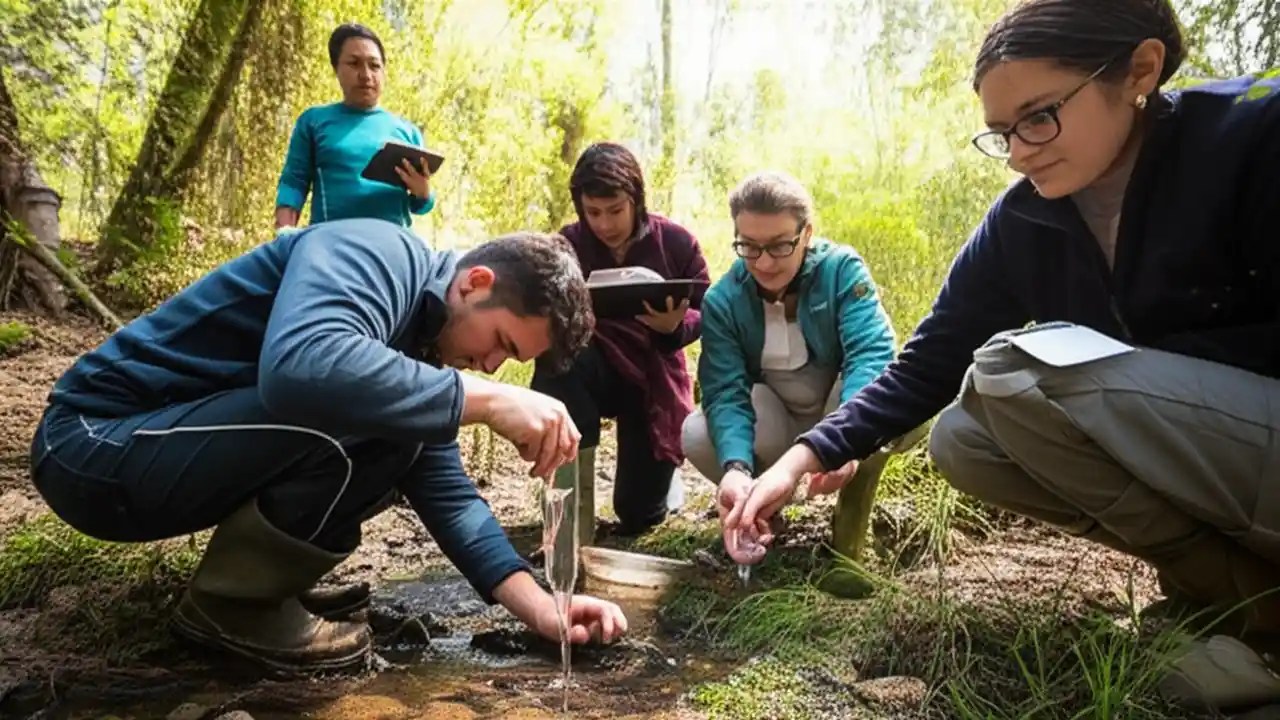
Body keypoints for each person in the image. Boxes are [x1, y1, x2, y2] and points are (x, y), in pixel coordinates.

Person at [727, 0, 1280, 711]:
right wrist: (797, 462)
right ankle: (1238, 601)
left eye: (1039, 116)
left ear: (1139, 71)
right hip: (1222, 459)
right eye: (1001, 133)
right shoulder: (1028, 218)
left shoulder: (1251, 138)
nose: (1020, 151)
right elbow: (926, 364)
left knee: (1013, 372)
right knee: (965, 438)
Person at [27, 218, 628, 675]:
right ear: (475, 283)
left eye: (509, 362)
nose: (493, 365)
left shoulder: (422, 343)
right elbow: (297, 367)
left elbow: (447, 491)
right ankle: (233, 605)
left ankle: (262, 584)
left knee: (397, 430)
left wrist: (542, 606)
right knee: (358, 410)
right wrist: (486, 399)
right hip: (91, 444)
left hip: (166, 454)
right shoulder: (373, 254)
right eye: (500, 341)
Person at [681, 171, 922, 590]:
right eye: (749, 247)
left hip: (841, 405)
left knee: (892, 408)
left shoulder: (842, 271)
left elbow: (872, 356)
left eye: (779, 245)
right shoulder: (722, 301)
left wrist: (847, 440)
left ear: (807, 233)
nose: (765, 262)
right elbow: (725, 392)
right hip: (780, 417)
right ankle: (760, 514)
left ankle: (849, 543)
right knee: (699, 433)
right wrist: (736, 468)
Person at [531, 142, 711, 544]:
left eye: (615, 211)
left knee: (639, 515)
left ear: (636, 200)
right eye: (593, 213)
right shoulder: (568, 244)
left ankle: (660, 486)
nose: (605, 224)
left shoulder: (678, 242)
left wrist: (674, 328)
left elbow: (709, 307)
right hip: (590, 365)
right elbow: (543, 306)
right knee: (558, 361)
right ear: (580, 207)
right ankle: (570, 499)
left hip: (652, 374)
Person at [274, 24, 436, 231]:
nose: (366, 75)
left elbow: (420, 206)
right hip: (329, 244)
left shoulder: (407, 131)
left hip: (394, 245)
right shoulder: (313, 121)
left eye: (374, 66)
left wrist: (423, 193)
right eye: (354, 63)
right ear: (336, 68)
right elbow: (293, 183)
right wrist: (284, 235)